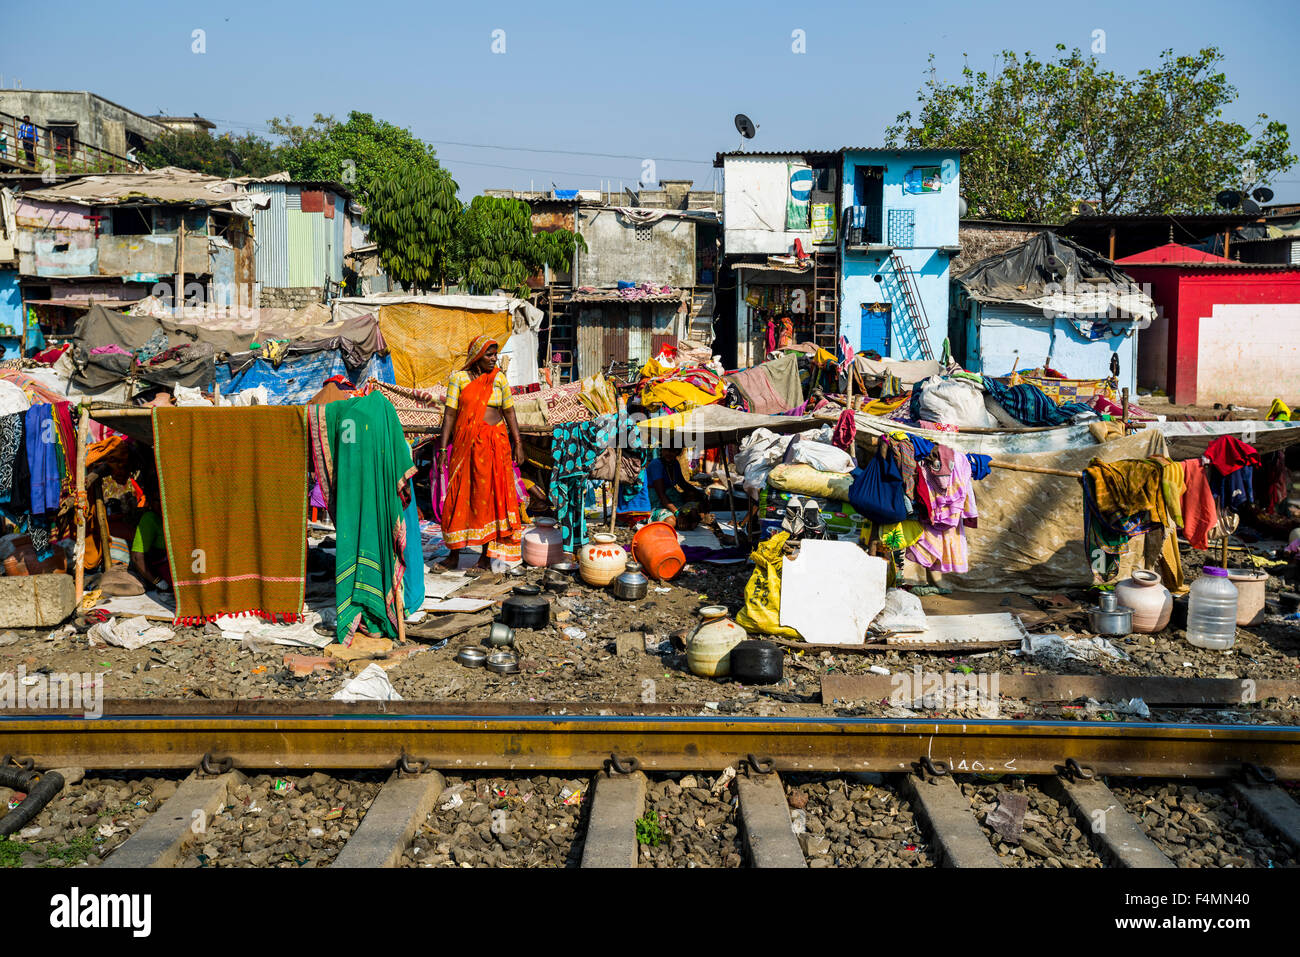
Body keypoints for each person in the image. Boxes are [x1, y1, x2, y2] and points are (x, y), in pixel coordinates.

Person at [436, 335, 525, 571]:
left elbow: (510, 412)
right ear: (477, 356)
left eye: (495, 354)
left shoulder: (498, 379)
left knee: (488, 498)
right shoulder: (459, 379)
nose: (494, 358)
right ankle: (453, 554)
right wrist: (444, 447)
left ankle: (485, 557)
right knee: (459, 495)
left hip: (494, 443)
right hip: (465, 445)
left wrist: (518, 443)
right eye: (489, 354)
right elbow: (450, 415)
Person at [617, 447, 706, 523]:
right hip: (656, 502)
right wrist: (677, 513)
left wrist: (701, 495)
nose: (668, 453)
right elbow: (661, 494)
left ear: (677, 452)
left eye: (672, 451)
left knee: (696, 513)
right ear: (662, 450)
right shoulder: (657, 464)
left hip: (671, 499)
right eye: (666, 450)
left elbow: (683, 483)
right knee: (670, 521)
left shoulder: (675, 463)